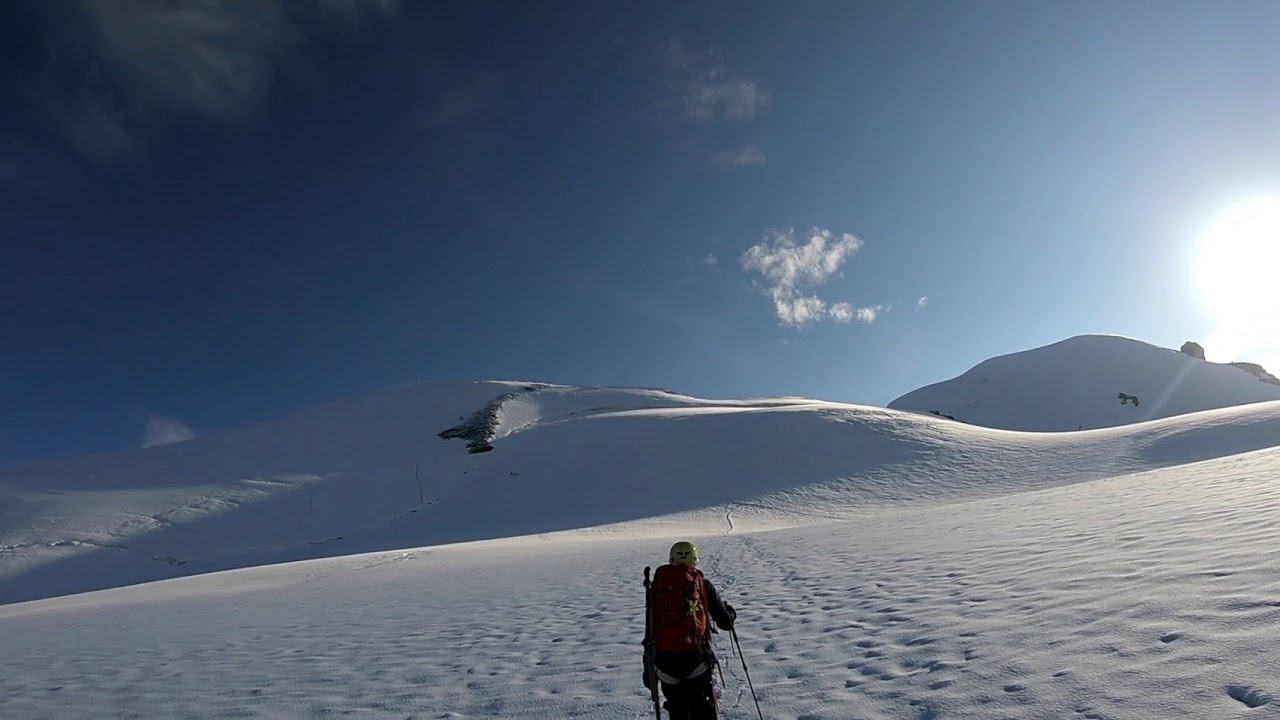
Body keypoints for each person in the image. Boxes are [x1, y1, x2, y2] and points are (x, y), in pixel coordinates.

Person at [644, 541, 737, 720]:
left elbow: (650, 630)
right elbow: (725, 622)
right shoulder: (702, 584)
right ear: (695, 559)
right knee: (701, 706)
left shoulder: (656, 588)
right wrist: (731, 613)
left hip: (665, 662)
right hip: (695, 659)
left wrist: (647, 669)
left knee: (677, 709)